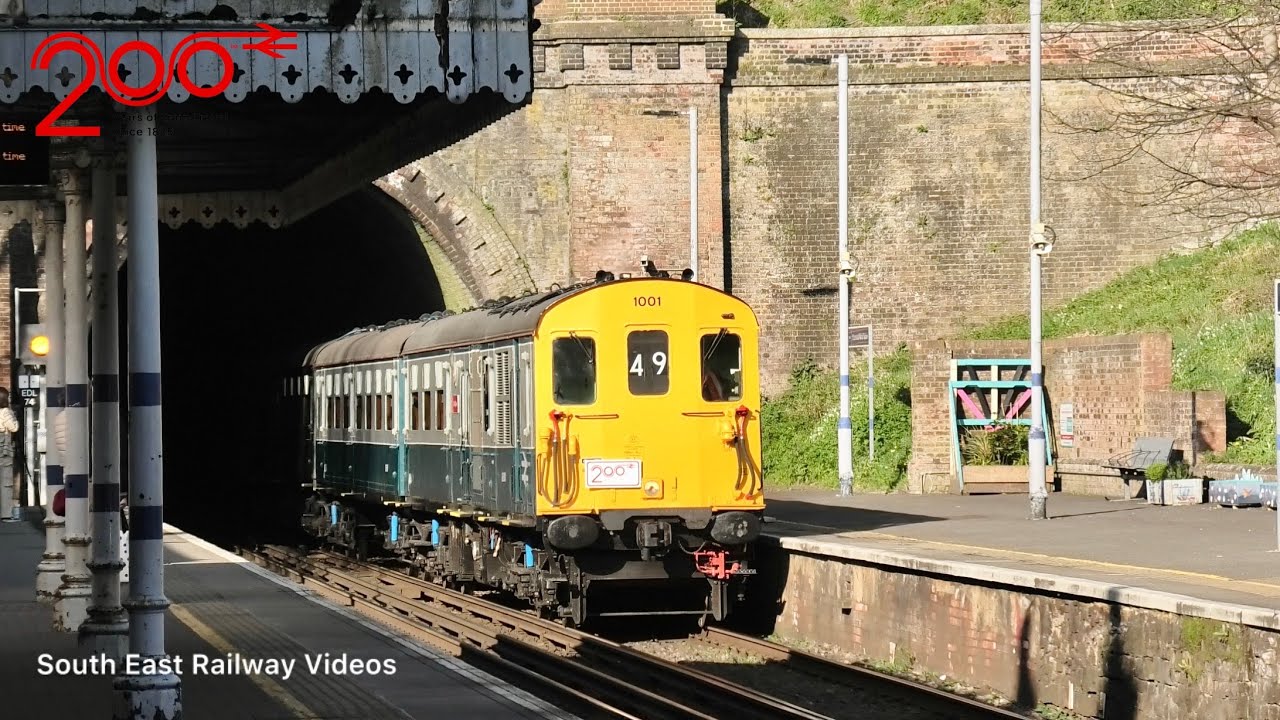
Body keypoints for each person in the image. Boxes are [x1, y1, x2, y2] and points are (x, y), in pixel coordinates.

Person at [0, 387, 19, 522]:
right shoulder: (5, 412)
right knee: (6, 482)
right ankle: (6, 513)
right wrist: (14, 416)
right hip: (4, 450)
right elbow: (14, 427)